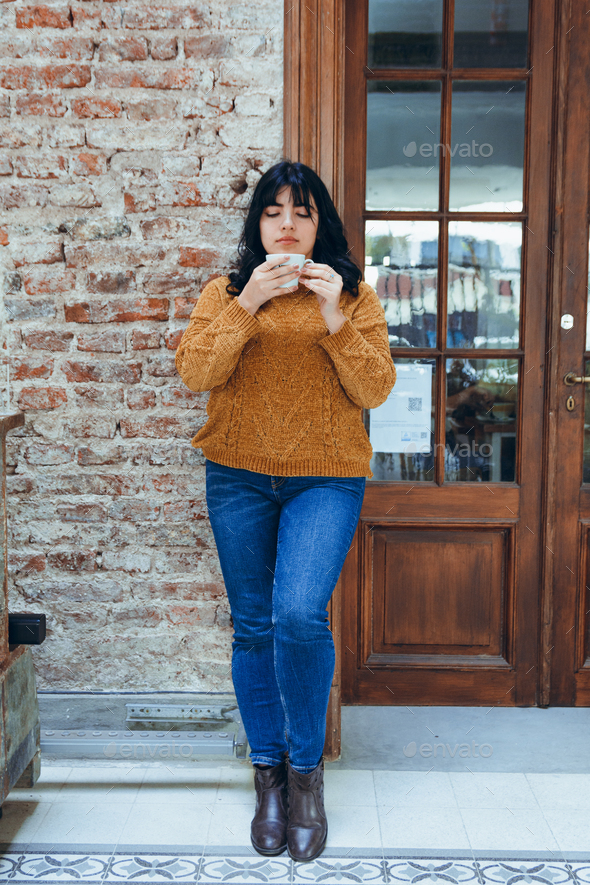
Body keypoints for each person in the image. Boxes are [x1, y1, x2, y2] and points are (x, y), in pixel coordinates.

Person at [174, 159, 396, 862]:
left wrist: (333, 316)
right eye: (275, 212)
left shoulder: (355, 296)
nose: (289, 225)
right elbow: (196, 373)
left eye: (302, 212)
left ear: (320, 224)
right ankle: (266, 776)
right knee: (253, 625)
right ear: (258, 225)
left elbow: (376, 389)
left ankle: (306, 776)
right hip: (238, 474)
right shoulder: (226, 290)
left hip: (325, 477)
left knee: (299, 615)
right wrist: (246, 308)